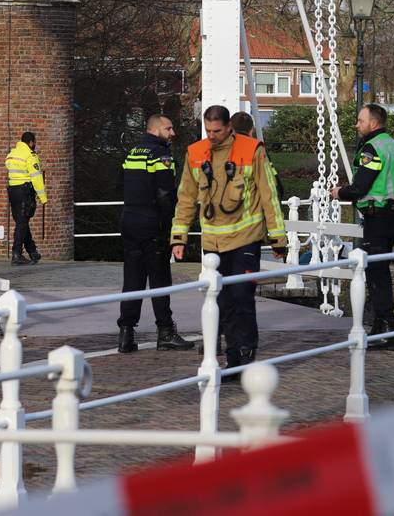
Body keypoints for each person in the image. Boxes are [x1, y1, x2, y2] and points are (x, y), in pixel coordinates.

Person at [170, 105, 288, 376]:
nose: (212, 136)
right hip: (213, 243)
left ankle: (242, 357)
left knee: (241, 297)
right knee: (220, 300)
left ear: (229, 127)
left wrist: (278, 238)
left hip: (245, 239)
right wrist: (179, 237)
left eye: (217, 131)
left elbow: (269, 195)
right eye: (208, 130)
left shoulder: (252, 150)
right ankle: (230, 355)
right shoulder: (195, 153)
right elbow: (186, 198)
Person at [330, 103, 394, 350]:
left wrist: (339, 192)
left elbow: (361, 187)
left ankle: (386, 331)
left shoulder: (372, 149)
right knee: (379, 270)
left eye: (360, 121)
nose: (357, 125)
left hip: (378, 216)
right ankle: (381, 328)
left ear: (373, 123)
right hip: (392, 216)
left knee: (377, 274)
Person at [117, 114, 194, 353]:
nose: (173, 133)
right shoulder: (161, 155)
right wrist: (171, 225)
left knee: (132, 279)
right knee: (160, 279)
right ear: (155, 129)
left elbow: (119, 183)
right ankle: (166, 332)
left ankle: (126, 334)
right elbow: (165, 193)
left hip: (129, 219)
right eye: (168, 128)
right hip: (152, 222)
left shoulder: (133, 152)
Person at [5, 131, 46, 265]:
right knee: (22, 223)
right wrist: (43, 197)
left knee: (21, 221)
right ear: (31, 142)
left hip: (12, 190)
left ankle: (33, 252)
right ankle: (16, 254)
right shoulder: (30, 156)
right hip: (25, 192)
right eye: (34, 142)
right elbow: (37, 177)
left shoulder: (12, 154)